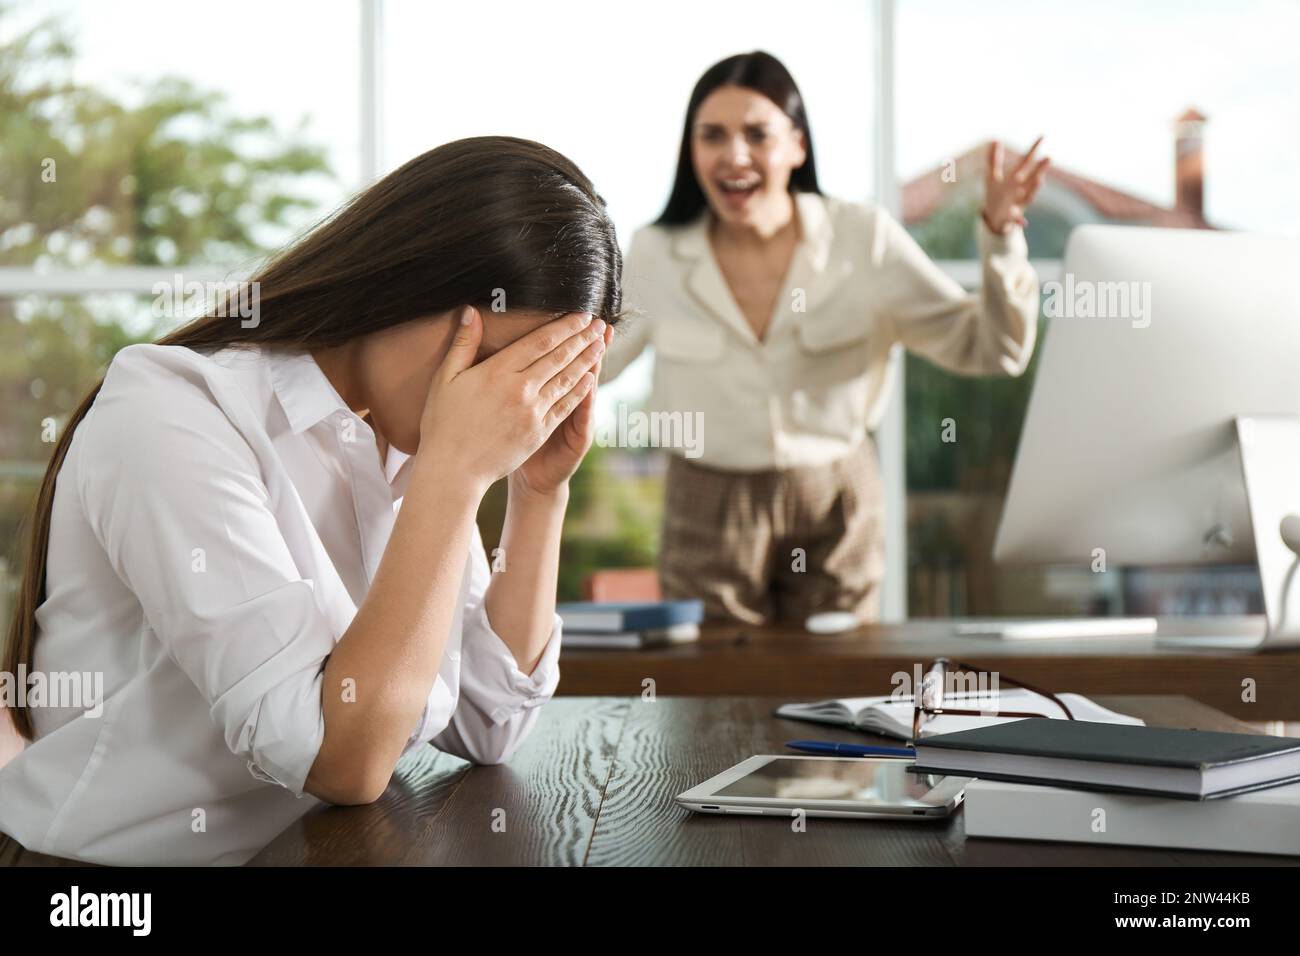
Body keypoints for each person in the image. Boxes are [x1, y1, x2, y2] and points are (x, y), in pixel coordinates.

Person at [0, 136, 620, 865]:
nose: (498, 404)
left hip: (324, 848)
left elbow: (489, 721)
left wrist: (539, 491)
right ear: (406, 282)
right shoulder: (175, 413)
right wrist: (452, 476)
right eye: (490, 366)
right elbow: (341, 762)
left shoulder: (402, 446)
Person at [601, 51, 1048, 625]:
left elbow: (992, 347)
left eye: (757, 134)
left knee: (839, 673)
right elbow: (595, 363)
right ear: (692, 150)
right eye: (712, 135)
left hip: (836, 501)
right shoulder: (656, 251)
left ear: (797, 145)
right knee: (713, 676)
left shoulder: (864, 239)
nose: (734, 154)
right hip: (706, 504)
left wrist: (1000, 237)